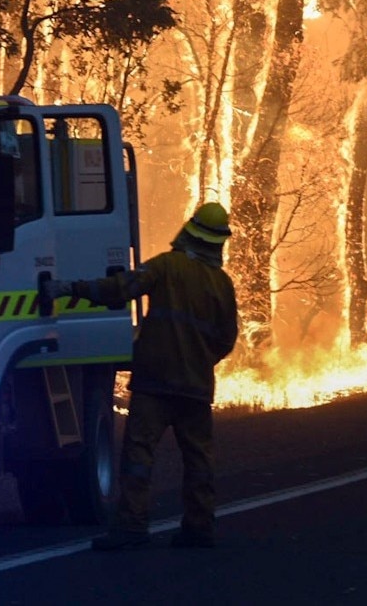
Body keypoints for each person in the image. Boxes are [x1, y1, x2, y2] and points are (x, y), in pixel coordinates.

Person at [65, 201, 239, 550]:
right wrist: (200, 360)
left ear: (190, 230)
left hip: (155, 384)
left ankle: (132, 526)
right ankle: (199, 526)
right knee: (199, 459)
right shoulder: (222, 284)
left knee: (139, 456)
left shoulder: (166, 266)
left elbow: (119, 288)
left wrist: (72, 289)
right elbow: (226, 339)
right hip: (196, 387)